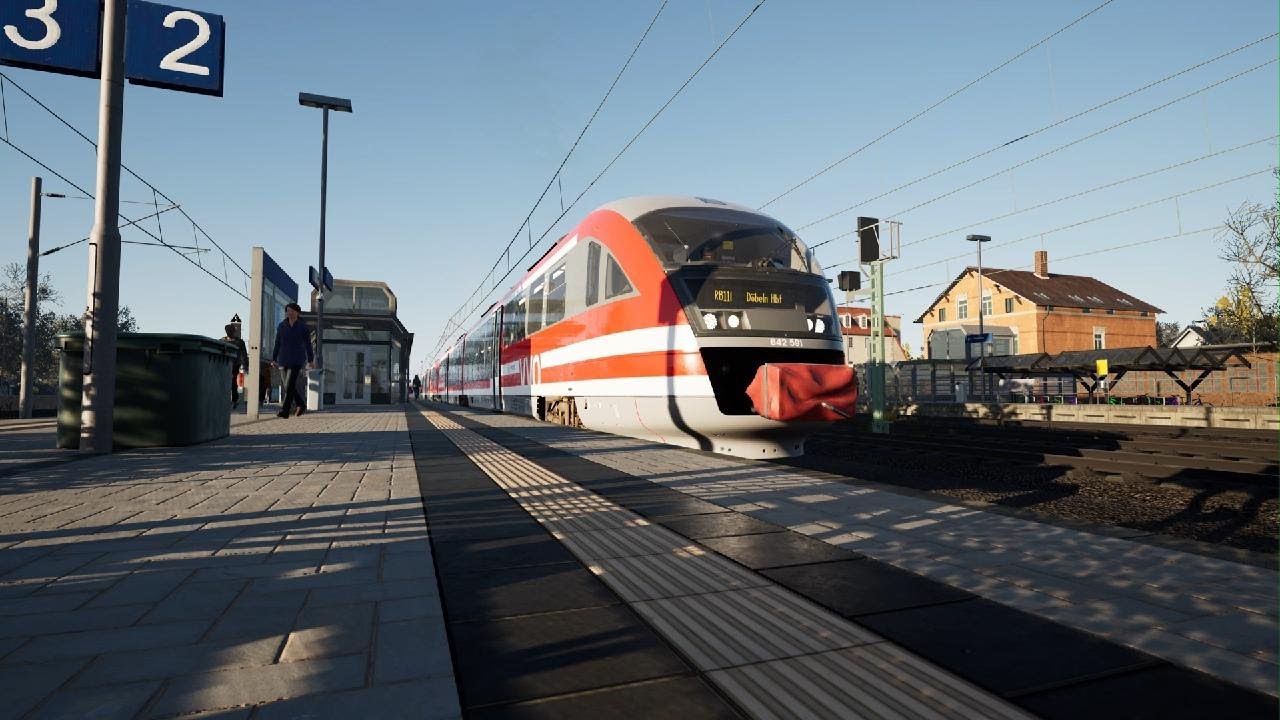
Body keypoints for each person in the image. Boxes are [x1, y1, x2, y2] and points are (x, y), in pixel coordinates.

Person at [271, 302, 314, 418]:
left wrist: (311, 359)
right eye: (288, 311)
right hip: (283, 359)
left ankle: (285, 411)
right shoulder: (281, 326)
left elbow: (308, 344)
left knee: (289, 384)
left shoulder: (303, 326)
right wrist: (274, 358)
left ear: (297, 312)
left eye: (292, 311)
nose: (289, 313)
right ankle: (301, 404)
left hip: (297, 359)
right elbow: (277, 343)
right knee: (287, 386)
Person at [221, 322, 250, 409]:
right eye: (228, 331)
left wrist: (246, 366)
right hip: (224, 364)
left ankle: (234, 400)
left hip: (234, 364)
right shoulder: (222, 341)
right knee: (225, 382)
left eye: (231, 331)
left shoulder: (239, 342)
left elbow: (244, 354)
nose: (229, 332)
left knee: (233, 382)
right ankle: (226, 400)